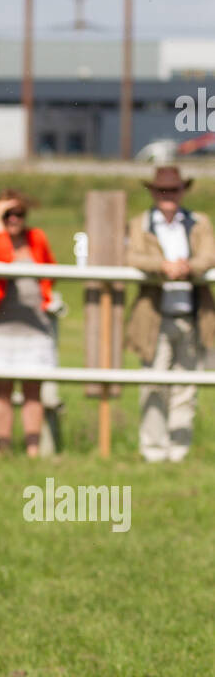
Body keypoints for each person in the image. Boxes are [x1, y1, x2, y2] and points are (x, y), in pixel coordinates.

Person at [125, 166, 215, 462]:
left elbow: (209, 255)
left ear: (182, 192)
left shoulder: (199, 222)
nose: (168, 196)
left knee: (186, 386)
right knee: (153, 383)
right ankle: (153, 450)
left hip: (192, 314)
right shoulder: (140, 224)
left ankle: (178, 450)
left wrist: (188, 267)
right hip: (154, 316)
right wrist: (163, 266)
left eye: (173, 190)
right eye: (162, 190)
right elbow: (130, 256)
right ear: (153, 192)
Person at [0, 190, 60, 456]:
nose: (14, 219)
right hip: (1, 326)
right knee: (2, 390)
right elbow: (1, 257)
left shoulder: (37, 238)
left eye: (18, 213)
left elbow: (51, 270)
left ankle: (33, 451)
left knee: (34, 390)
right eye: (6, 214)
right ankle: (4, 449)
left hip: (34, 325)